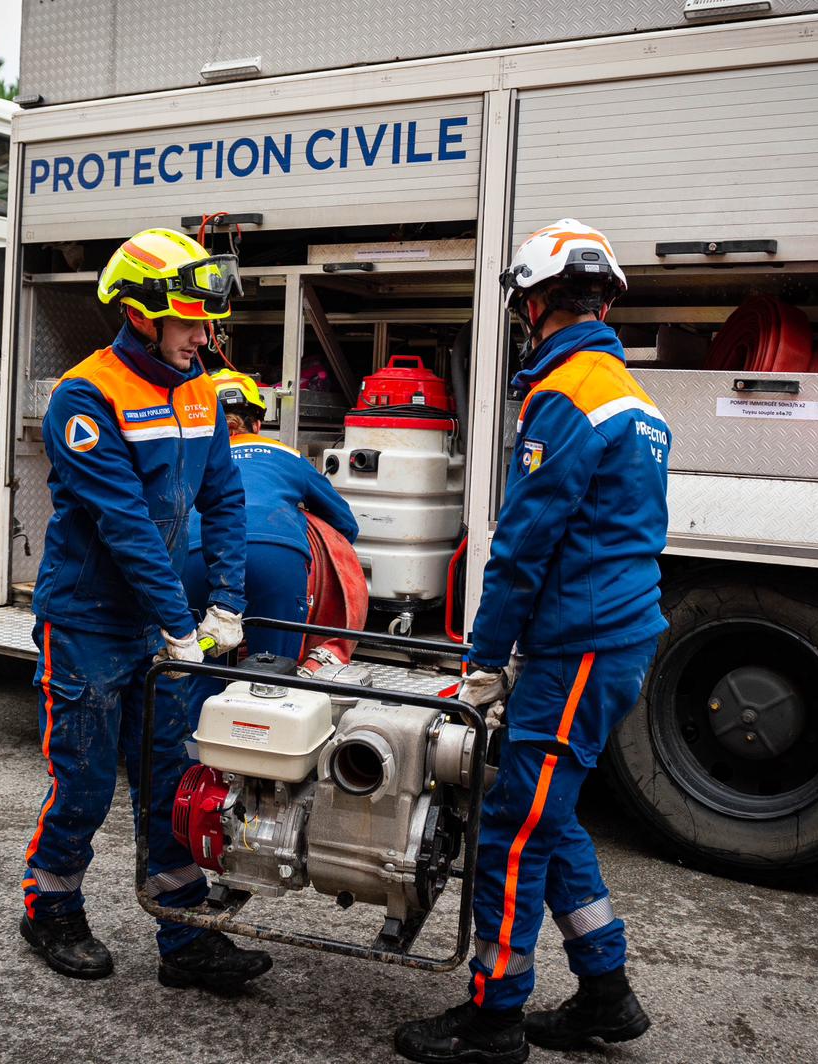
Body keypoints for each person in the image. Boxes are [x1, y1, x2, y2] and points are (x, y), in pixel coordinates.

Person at [395, 219, 671, 1063]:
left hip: (578, 646)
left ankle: (493, 1015)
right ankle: (605, 989)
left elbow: (523, 544)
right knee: (546, 810)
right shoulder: (629, 393)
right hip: (608, 638)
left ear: (536, 304)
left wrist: (481, 660)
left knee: (513, 823)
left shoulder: (565, 394)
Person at [18, 227, 273, 992]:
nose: (205, 335)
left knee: (171, 781)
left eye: (206, 321)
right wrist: (176, 621)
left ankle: (185, 937)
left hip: (160, 626)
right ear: (140, 314)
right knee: (87, 778)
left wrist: (225, 601)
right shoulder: (84, 397)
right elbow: (124, 524)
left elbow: (226, 498)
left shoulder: (200, 390)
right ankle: (51, 907)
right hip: (90, 623)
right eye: (192, 321)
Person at [180, 368, 360, 665]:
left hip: (201, 555)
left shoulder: (188, 458)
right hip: (276, 556)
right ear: (259, 423)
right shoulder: (287, 456)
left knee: (201, 672)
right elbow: (344, 525)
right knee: (271, 675)